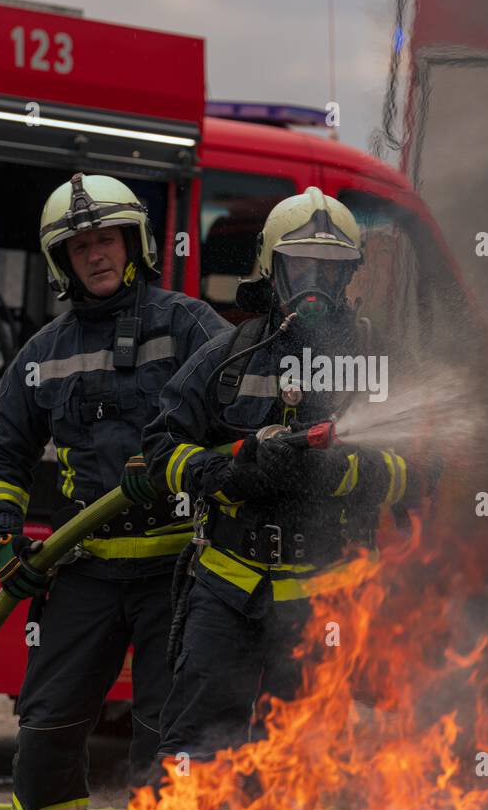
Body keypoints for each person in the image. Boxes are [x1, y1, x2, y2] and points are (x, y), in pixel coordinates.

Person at [144, 186, 429, 765]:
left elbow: (424, 469)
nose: (315, 285)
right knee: (195, 755)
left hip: (328, 599)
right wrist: (227, 470)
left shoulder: (382, 363)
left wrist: (346, 474)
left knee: (303, 764)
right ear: (272, 268)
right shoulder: (229, 357)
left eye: (330, 269)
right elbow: (160, 450)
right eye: (302, 266)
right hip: (225, 589)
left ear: (350, 273)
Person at [0, 173, 229, 810]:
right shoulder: (42, 354)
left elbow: (239, 429)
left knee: (165, 745)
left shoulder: (192, 327)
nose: (96, 254)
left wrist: (174, 461)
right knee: (46, 735)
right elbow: (1, 454)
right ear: (62, 261)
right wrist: (4, 539)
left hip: (177, 573)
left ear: (134, 242)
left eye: (107, 239)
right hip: (82, 571)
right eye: (80, 246)